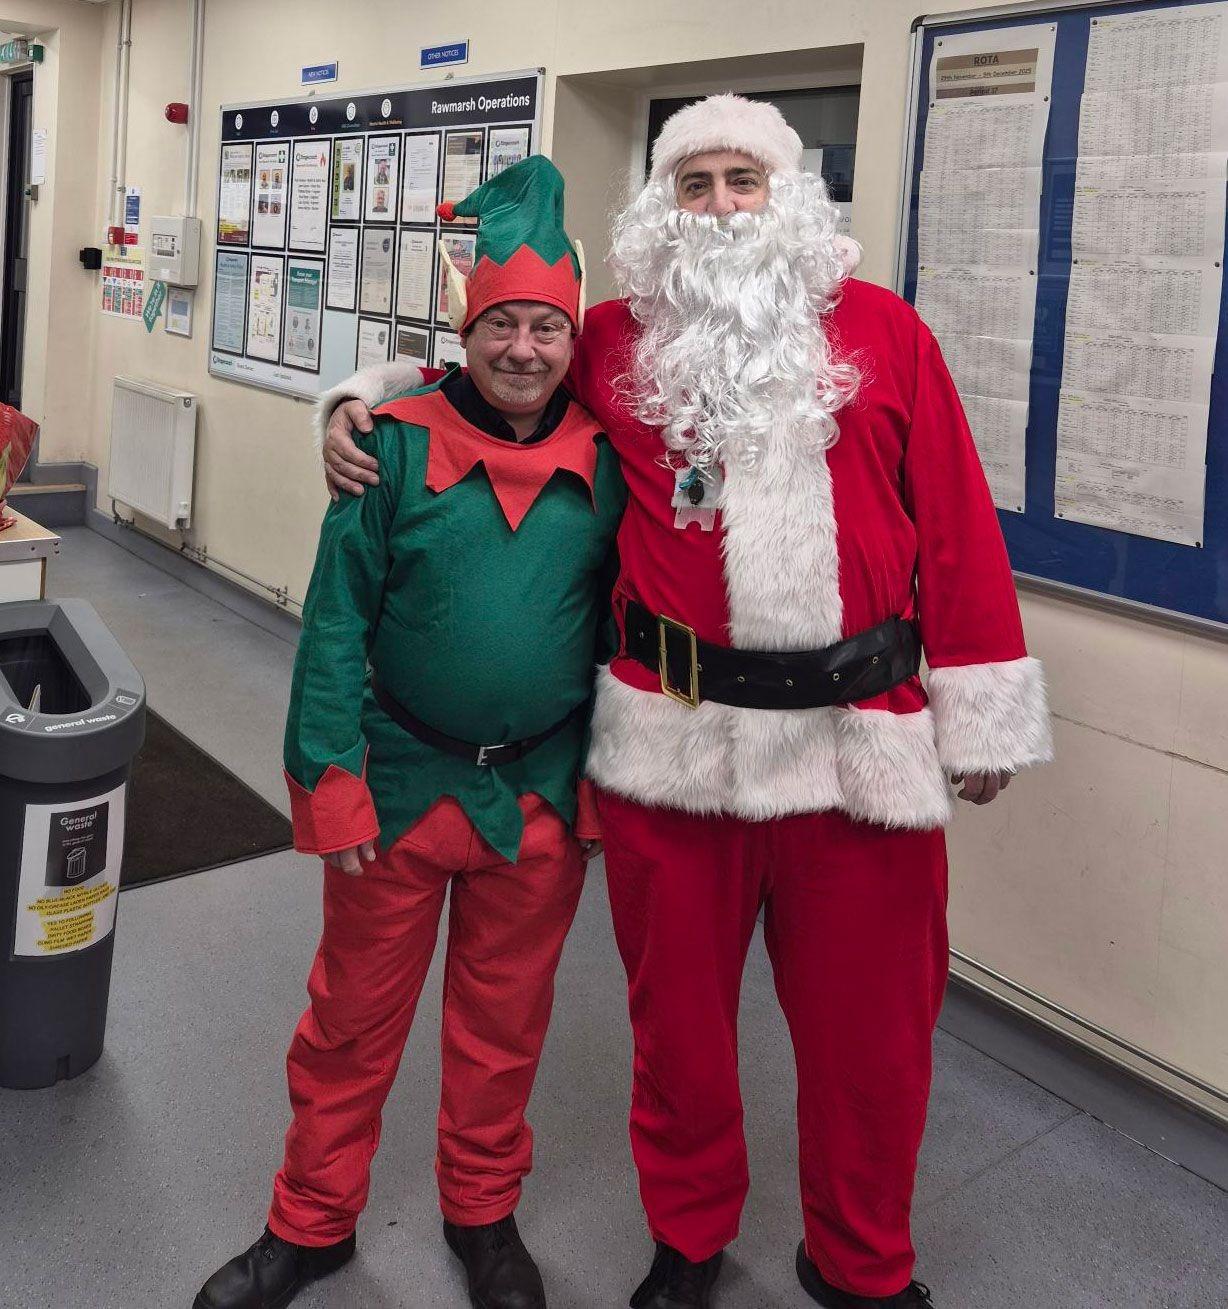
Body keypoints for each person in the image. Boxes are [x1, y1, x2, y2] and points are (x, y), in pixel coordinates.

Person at [318, 96, 1053, 1309]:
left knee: (871, 1041)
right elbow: (485, 366)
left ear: (790, 197)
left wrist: (979, 712)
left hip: (857, 745)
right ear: (664, 204)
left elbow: (959, 529)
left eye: (742, 181)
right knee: (681, 1036)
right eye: (695, 181)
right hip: (677, 745)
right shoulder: (610, 337)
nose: (718, 205)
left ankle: (863, 1261)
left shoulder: (886, 333)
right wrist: (354, 400)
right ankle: (690, 1236)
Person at [195, 157, 625, 1309]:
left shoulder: (608, 461)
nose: (524, 349)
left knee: (504, 1027)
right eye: (503, 325)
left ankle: (482, 1216)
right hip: (394, 785)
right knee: (350, 1019)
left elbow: (621, 636)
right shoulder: (384, 443)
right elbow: (333, 629)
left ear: (572, 337)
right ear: (466, 329)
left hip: (534, 795)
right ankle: (311, 1219)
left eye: (547, 326)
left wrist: (598, 789)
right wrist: (327, 785)